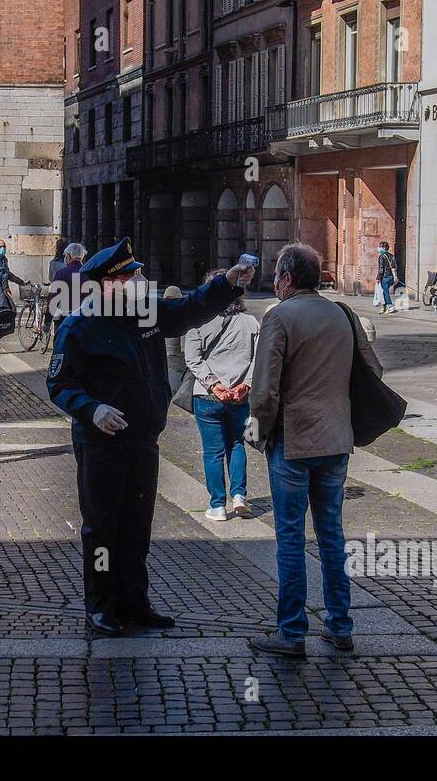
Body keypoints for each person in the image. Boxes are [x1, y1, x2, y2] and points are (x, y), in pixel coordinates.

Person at [48, 238, 253, 636]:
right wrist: (92, 409)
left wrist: (227, 282)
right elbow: (59, 383)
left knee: (137, 526)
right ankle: (102, 606)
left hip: (143, 440)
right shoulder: (80, 325)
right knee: (102, 529)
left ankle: (135, 603)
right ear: (108, 284)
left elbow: (188, 310)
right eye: (131, 275)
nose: (140, 281)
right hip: (101, 443)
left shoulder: (145, 315)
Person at [248, 244, 382, 657]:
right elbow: (372, 370)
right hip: (336, 440)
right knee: (332, 536)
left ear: (287, 279)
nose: (273, 280)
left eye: (275, 274)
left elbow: (265, 390)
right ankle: (340, 626)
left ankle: (291, 632)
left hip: (293, 440)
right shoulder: (343, 314)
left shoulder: (279, 317)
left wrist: (258, 430)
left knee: (290, 537)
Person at [184, 270, 260, 522]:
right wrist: (245, 386)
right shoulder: (251, 322)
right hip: (240, 396)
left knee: (212, 451)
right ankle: (239, 495)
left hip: (207, 397)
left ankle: (217, 505)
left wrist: (213, 384)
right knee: (237, 444)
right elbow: (257, 359)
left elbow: (192, 359)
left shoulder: (198, 321)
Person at [50, 242, 87, 337]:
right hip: (85, 319)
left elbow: (53, 298)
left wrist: (47, 320)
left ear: (69, 256)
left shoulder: (62, 273)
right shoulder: (88, 273)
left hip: (64, 319)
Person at [376, 241, 398, 314]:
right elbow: (395, 267)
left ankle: (390, 306)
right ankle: (384, 308)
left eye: (380, 246)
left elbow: (381, 269)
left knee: (385, 292)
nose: (379, 248)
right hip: (391, 277)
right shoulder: (392, 256)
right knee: (385, 292)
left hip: (385, 277)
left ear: (384, 247)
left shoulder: (381, 256)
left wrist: (378, 278)